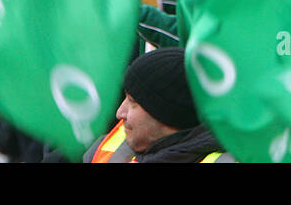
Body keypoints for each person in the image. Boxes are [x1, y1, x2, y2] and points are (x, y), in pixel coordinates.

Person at [84, 49, 233, 163]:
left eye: (133, 102)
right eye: (126, 98)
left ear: (169, 115)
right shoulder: (109, 147)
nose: (120, 113)